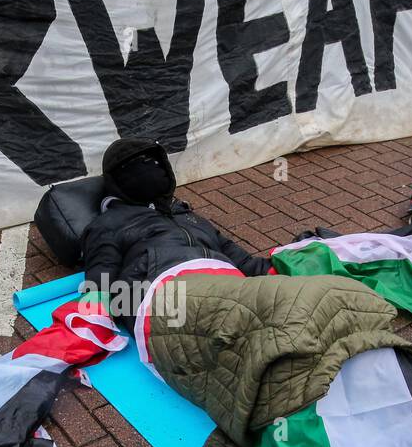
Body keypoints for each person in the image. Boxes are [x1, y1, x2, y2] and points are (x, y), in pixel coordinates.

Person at [81, 138, 273, 329]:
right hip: (168, 298)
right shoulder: (109, 223)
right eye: (136, 165)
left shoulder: (187, 215)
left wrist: (290, 263)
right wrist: (95, 309)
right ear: (116, 180)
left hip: (227, 287)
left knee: (294, 310)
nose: (148, 169)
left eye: (153, 162)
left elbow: (244, 262)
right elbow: (101, 281)